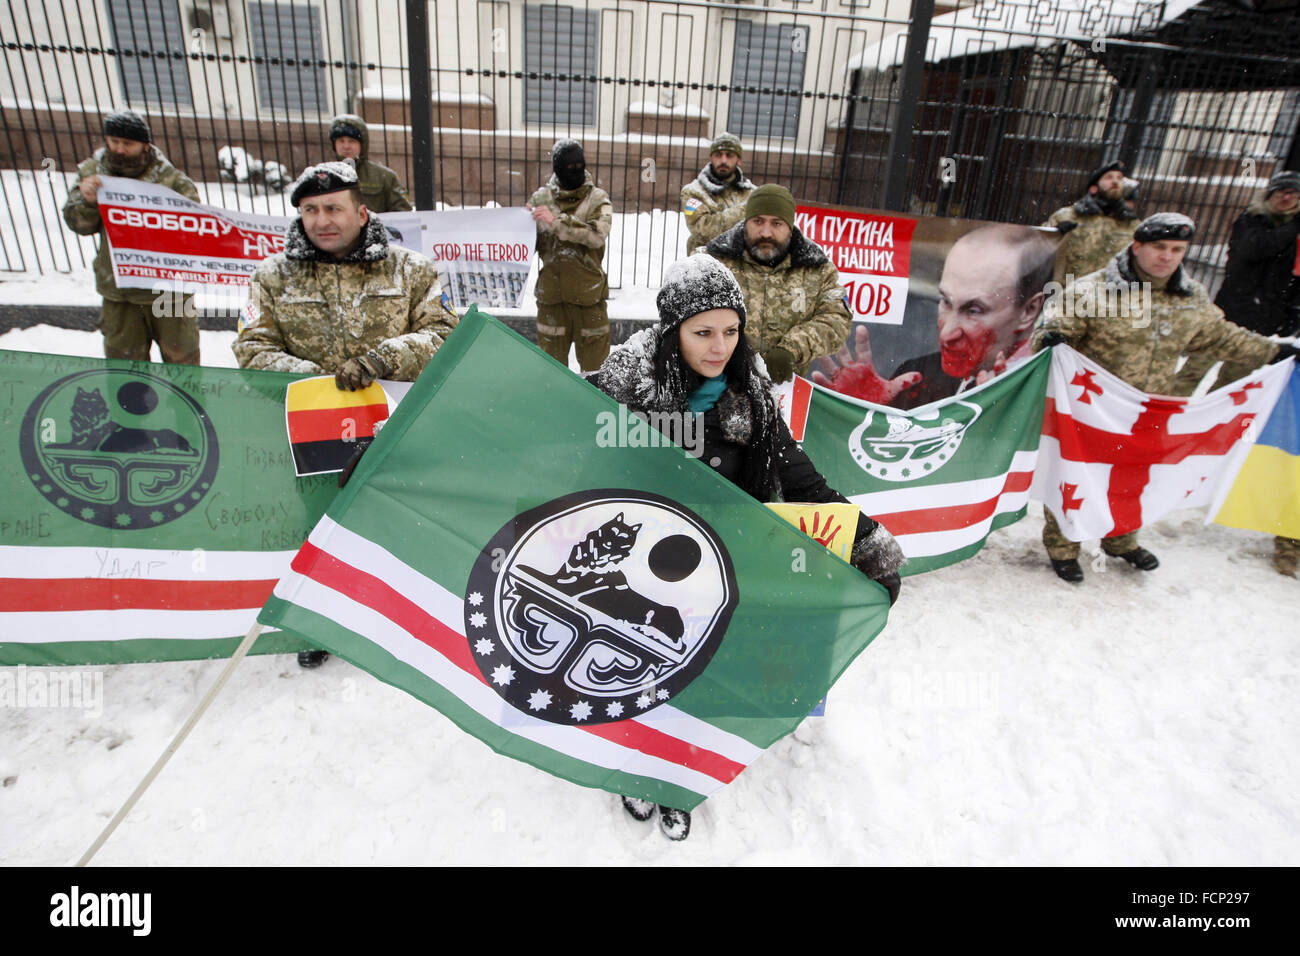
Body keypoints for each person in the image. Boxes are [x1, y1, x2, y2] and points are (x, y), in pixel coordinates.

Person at [586, 255, 904, 841]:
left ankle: (677, 771)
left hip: (720, 557)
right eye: (702, 332)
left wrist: (866, 540)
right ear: (671, 329)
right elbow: (580, 449)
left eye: (730, 331)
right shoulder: (631, 380)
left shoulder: (748, 384)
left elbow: (798, 476)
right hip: (639, 557)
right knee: (644, 664)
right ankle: (637, 762)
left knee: (701, 668)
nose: (719, 346)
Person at [234, 162, 459, 665]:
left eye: (333, 208)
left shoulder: (412, 270)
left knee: (400, 521)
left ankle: (402, 616)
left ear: (361, 212)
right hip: (312, 430)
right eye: (310, 210)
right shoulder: (271, 277)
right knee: (319, 525)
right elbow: (253, 347)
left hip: (395, 425)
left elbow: (444, 333)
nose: (321, 220)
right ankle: (321, 621)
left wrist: (383, 359)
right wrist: (318, 381)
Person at [1032, 212, 1298, 583]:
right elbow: (1050, 330)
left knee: (1134, 480)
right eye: (1159, 247)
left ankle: (1120, 541)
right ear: (1137, 246)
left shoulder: (1190, 300)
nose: (1167, 257)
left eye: (1177, 249)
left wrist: (1274, 352)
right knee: (1077, 477)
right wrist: (1051, 339)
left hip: (1150, 410)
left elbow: (1220, 337)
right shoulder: (1091, 290)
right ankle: (1063, 547)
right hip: (1092, 410)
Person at [1172, 170, 1300, 578]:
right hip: (1227, 314)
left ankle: (1211, 436)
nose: (1286, 198)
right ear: (1270, 194)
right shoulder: (1253, 220)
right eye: (1281, 192)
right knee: (1188, 374)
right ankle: (1168, 418)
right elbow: (1255, 250)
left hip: (1266, 323)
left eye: (1293, 193)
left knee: (1235, 388)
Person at [823, 225, 1055, 408]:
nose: (946, 333)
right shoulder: (916, 376)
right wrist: (865, 414)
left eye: (973, 311)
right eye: (945, 301)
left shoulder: (1053, 394)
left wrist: (1000, 421)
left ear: (1029, 311)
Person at [62, 109, 202, 365]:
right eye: (114, 141)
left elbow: (196, 230)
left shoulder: (171, 180)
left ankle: (185, 407)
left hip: (169, 292)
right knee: (124, 366)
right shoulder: (93, 174)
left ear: (145, 145)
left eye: (128, 143)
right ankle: (130, 408)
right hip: (120, 292)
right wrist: (88, 200)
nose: (120, 149)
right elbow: (78, 223)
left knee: (183, 362)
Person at [705, 184, 851, 384]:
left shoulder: (817, 269)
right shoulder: (711, 262)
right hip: (717, 386)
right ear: (746, 222)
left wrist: (792, 348)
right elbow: (686, 317)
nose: (766, 233)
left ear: (789, 228)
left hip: (784, 391)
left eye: (776, 223)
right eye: (758, 221)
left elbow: (837, 319)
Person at [528, 139, 613, 371]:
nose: (574, 171)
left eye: (579, 165)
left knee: (596, 374)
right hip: (552, 301)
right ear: (556, 168)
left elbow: (596, 235)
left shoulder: (597, 199)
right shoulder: (541, 199)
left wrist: (556, 222)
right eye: (568, 167)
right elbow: (527, 246)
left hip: (589, 298)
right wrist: (523, 227)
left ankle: (591, 409)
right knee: (551, 373)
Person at [1043, 159, 1140, 283]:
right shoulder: (1067, 216)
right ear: (1093, 188)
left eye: (1120, 178)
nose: (1115, 181)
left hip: (1106, 296)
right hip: (1066, 292)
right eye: (1109, 177)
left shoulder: (1132, 225)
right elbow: (1039, 247)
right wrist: (1055, 235)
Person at [681, 132, 755, 254]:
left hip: (743, 267)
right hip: (706, 262)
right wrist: (744, 211)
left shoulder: (751, 193)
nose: (723, 160)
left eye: (729, 155)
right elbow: (702, 229)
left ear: (739, 160)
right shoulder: (693, 192)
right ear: (711, 158)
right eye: (718, 155)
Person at [328, 114, 413, 213]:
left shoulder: (385, 178)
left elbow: (403, 213)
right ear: (334, 144)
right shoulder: (323, 177)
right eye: (341, 141)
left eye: (352, 141)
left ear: (362, 145)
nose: (346, 146)